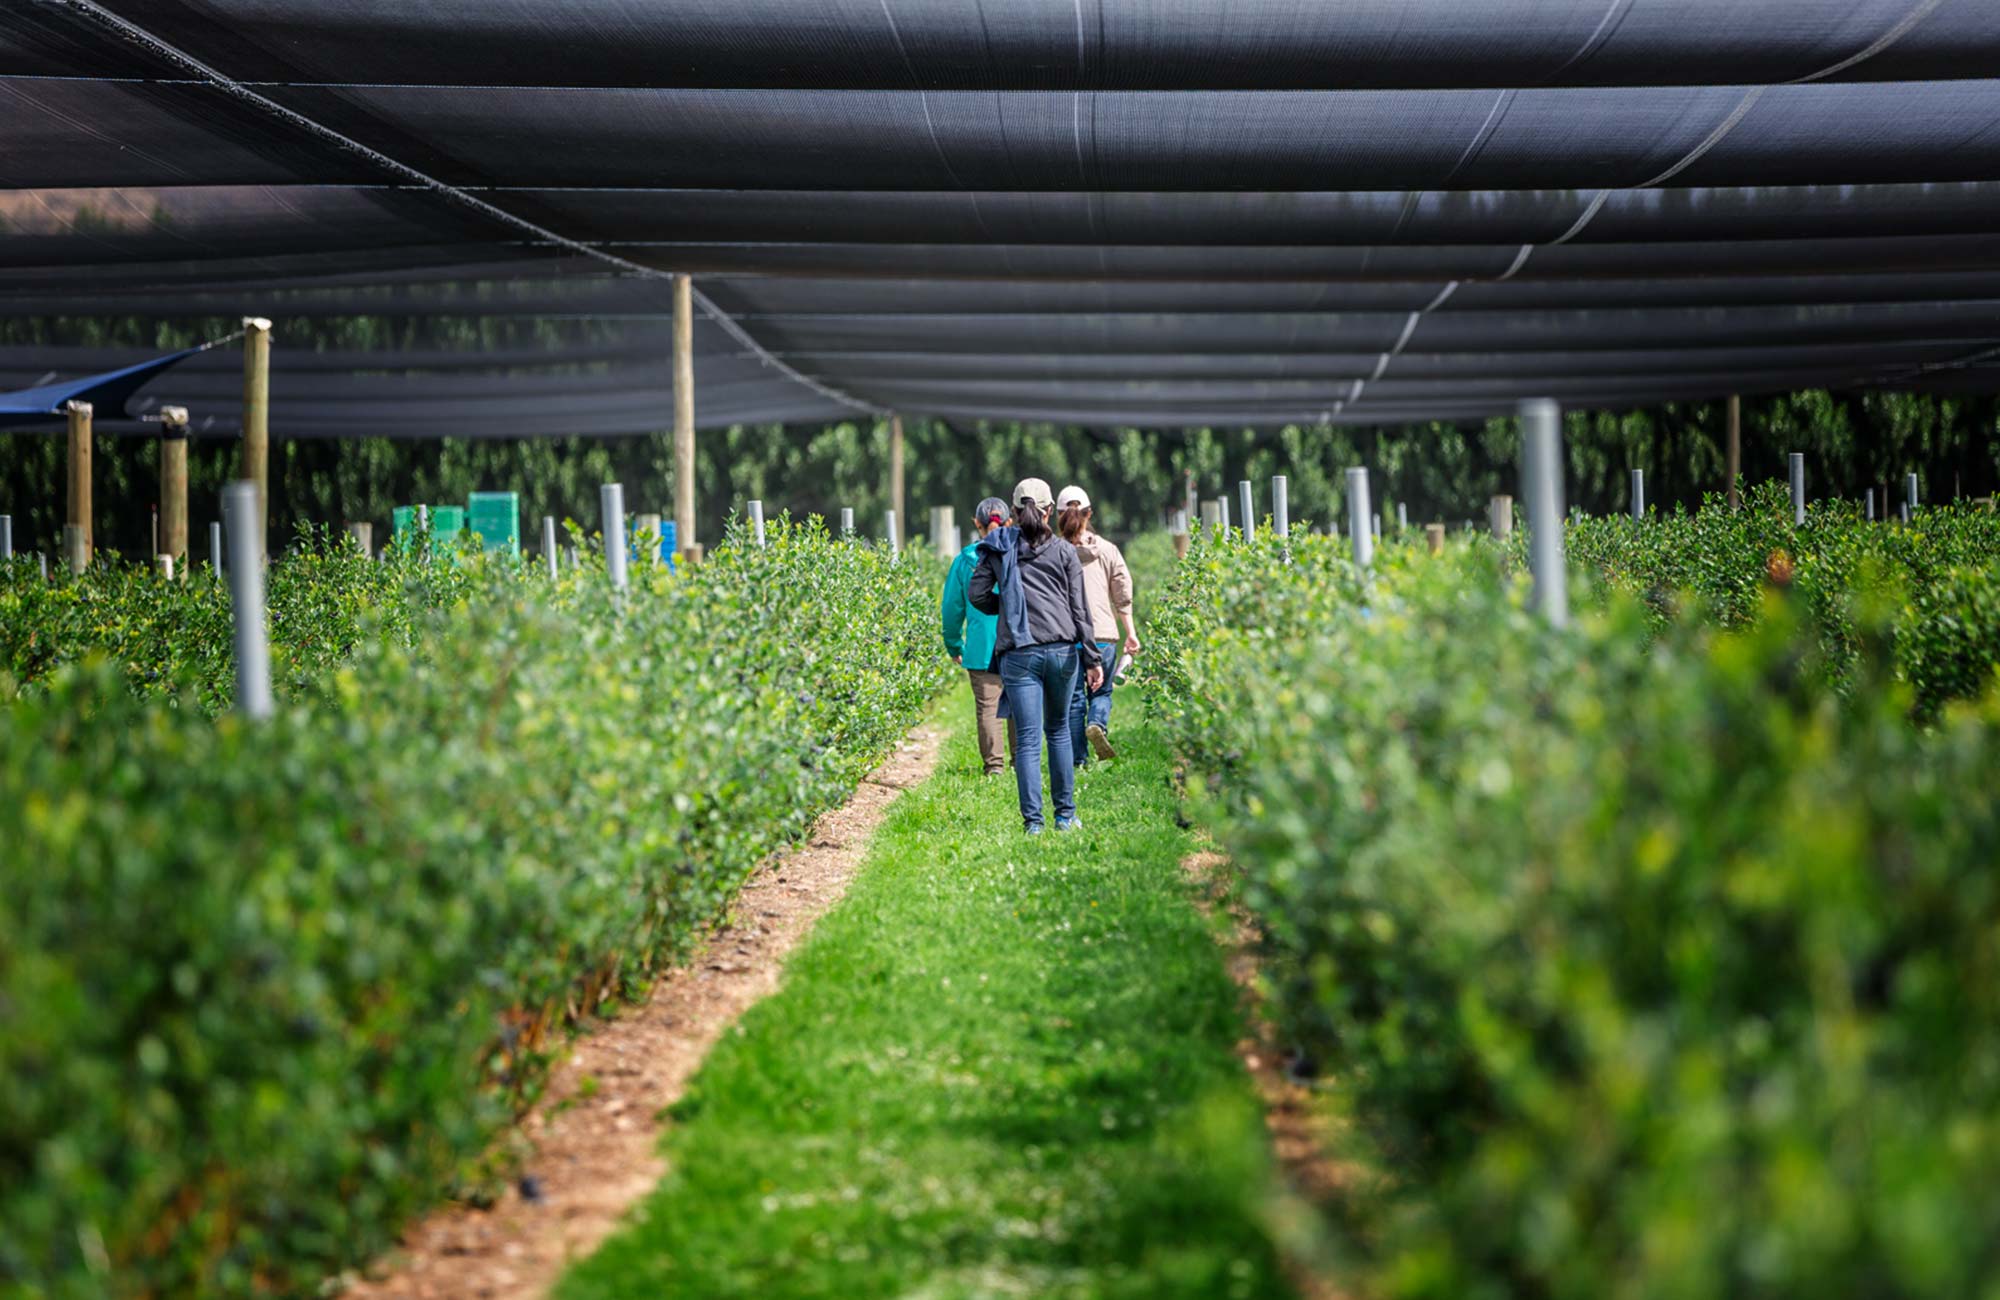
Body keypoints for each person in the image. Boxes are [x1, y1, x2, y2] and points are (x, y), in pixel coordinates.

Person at [969, 477, 1103, 834]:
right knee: (1058, 731)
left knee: (1027, 739)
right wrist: (1092, 658)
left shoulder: (999, 547)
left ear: (1013, 513)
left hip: (1019, 653)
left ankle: (1034, 824)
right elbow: (1080, 610)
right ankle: (1065, 816)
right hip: (1062, 652)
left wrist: (1008, 605)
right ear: (1048, 512)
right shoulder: (1064, 552)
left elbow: (977, 594)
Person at [1055, 485, 1139, 763]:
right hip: (1102, 635)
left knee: (1073, 699)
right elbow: (1122, 594)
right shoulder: (1108, 550)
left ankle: (1078, 760)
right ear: (1090, 514)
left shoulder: (1052, 552)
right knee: (1101, 692)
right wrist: (1131, 633)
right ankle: (1098, 724)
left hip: (1066, 636)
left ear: (1057, 515)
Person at [940, 495, 1013, 775]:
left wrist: (954, 643)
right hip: (1019, 642)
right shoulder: (1019, 554)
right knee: (1019, 703)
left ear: (976, 524)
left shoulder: (965, 560)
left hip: (982, 647)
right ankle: (1021, 762)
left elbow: (952, 607)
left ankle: (994, 767)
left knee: (988, 708)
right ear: (1008, 522)